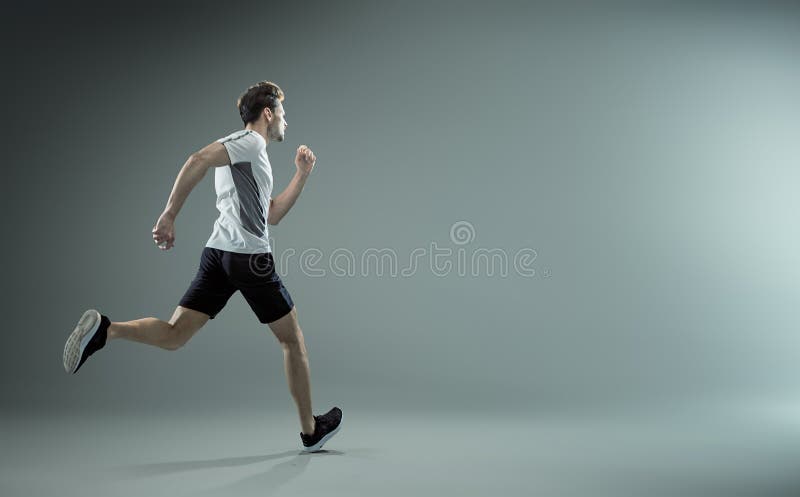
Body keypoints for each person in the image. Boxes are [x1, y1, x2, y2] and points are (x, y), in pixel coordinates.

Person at [62, 81, 342, 452]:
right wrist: (169, 214)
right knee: (293, 340)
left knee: (176, 334)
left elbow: (271, 214)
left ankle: (107, 330)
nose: (286, 123)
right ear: (269, 113)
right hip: (249, 258)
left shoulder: (246, 154)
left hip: (217, 256)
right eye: (283, 115)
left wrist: (302, 175)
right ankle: (310, 430)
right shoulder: (251, 142)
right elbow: (196, 159)